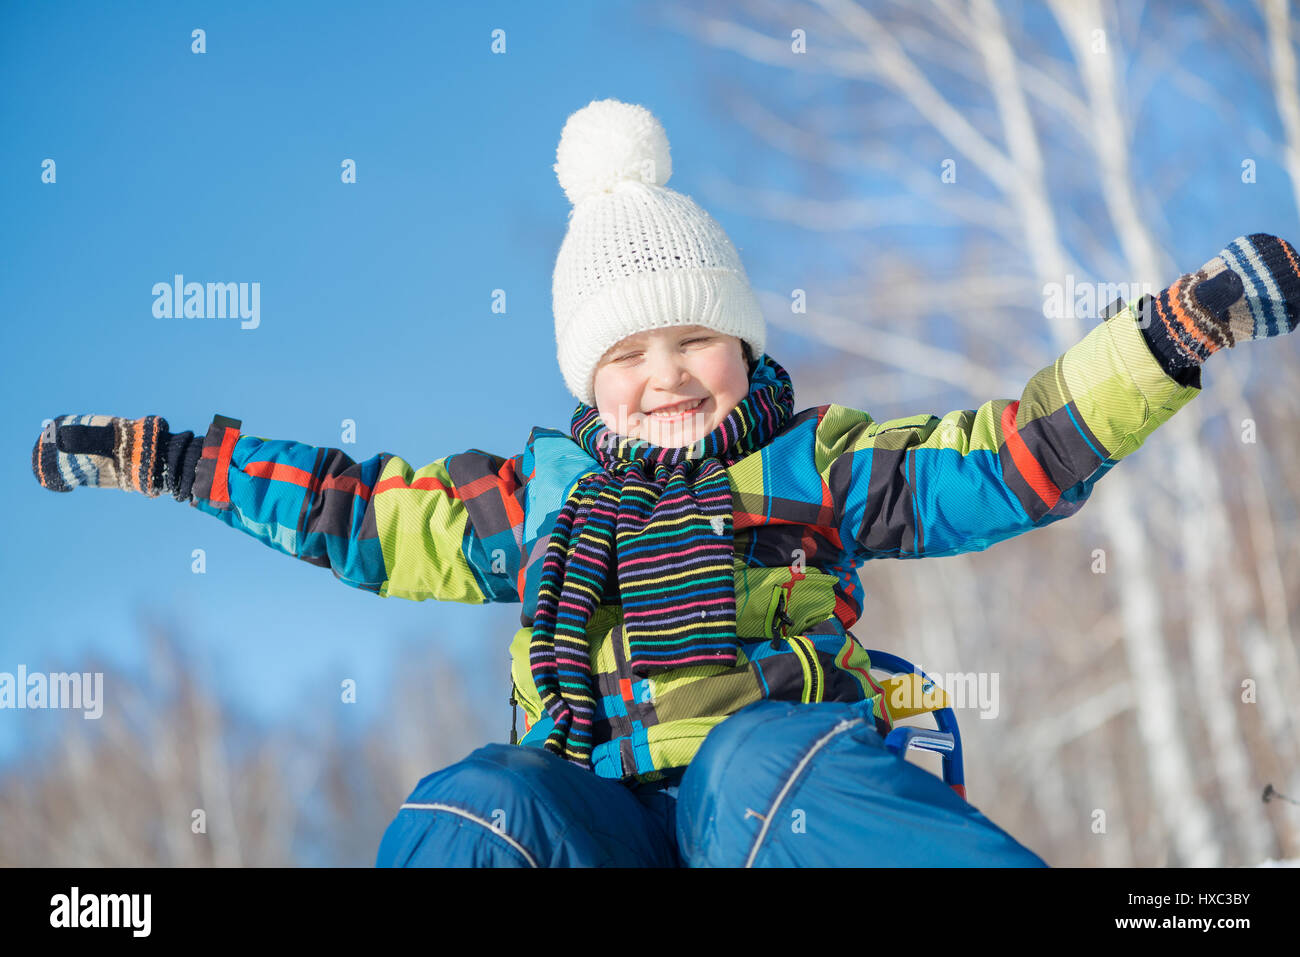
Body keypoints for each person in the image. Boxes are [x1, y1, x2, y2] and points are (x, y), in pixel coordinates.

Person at [32, 99, 1300, 868]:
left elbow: (1010, 456)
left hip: (774, 808)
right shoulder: (537, 506)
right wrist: (173, 460)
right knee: (481, 802)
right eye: (625, 356)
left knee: (758, 768)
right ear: (591, 386)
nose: (666, 377)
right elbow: (350, 513)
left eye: (690, 337)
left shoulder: (817, 467)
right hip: (604, 826)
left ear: (740, 341)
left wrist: (1167, 336)